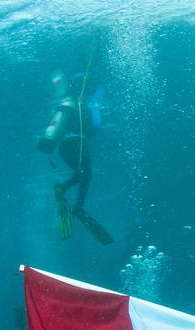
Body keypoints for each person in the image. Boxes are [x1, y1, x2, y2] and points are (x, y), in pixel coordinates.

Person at [37, 69, 112, 245]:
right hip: (78, 143)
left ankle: (64, 190)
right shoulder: (81, 106)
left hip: (63, 146)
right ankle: (76, 205)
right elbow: (93, 129)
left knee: (81, 174)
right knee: (86, 175)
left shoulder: (66, 105)